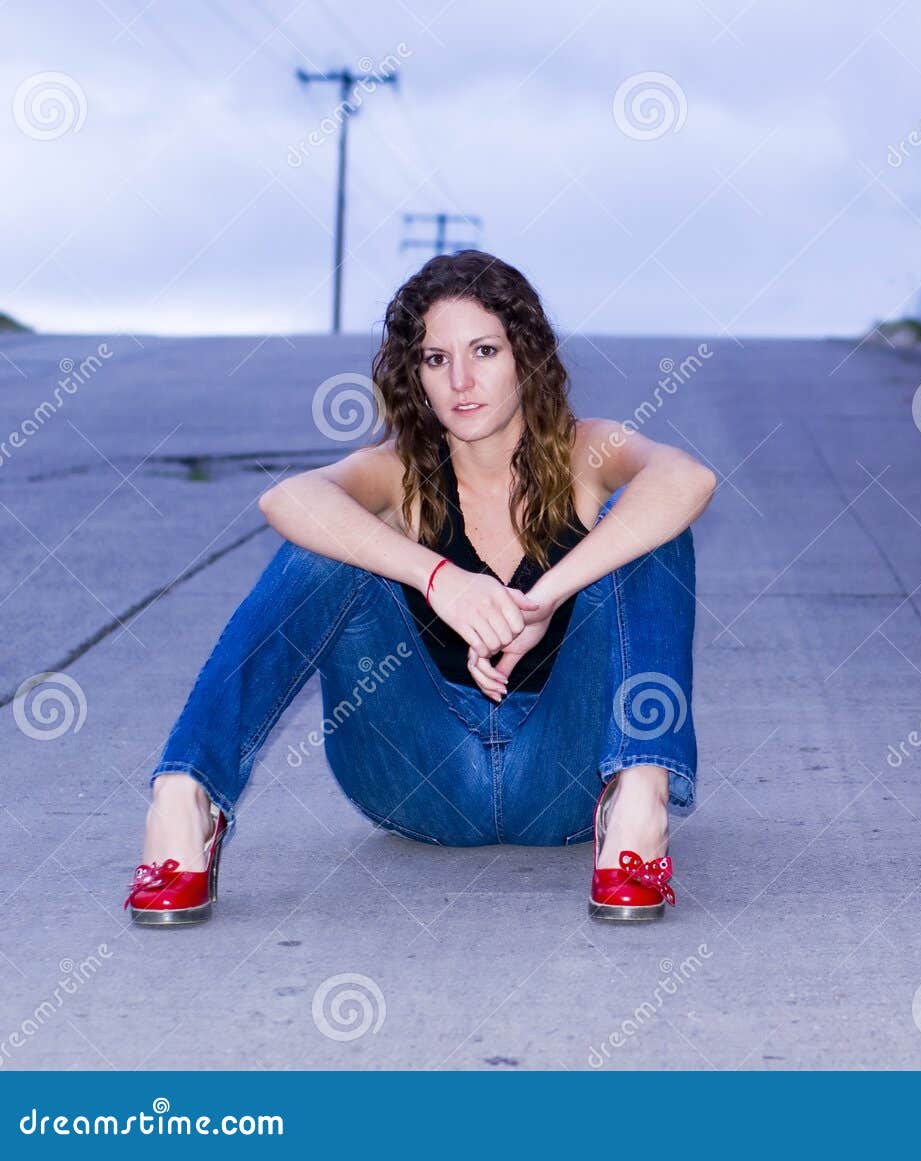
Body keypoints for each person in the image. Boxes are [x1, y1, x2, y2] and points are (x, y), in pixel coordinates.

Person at [124, 250, 714, 926]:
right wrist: (440, 580)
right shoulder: (400, 471)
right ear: (416, 376)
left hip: (570, 777)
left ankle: (639, 805)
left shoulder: (588, 452)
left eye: (485, 350)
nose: (461, 380)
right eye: (436, 359)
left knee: (652, 528)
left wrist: (546, 595)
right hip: (415, 773)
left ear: (527, 356)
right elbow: (288, 497)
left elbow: (687, 480)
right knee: (331, 540)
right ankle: (185, 797)